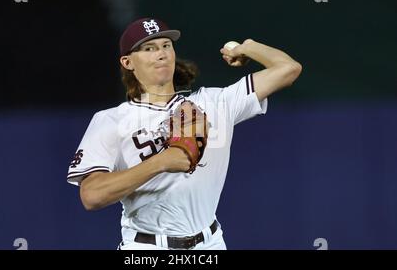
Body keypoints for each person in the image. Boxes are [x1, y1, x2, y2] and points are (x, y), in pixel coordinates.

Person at [67, 17, 302, 250]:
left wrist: (248, 47)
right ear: (128, 62)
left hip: (209, 244)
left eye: (166, 46)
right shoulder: (110, 120)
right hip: (147, 247)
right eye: (149, 48)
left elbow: (288, 69)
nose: (161, 53)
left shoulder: (214, 103)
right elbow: (92, 195)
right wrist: (161, 161)